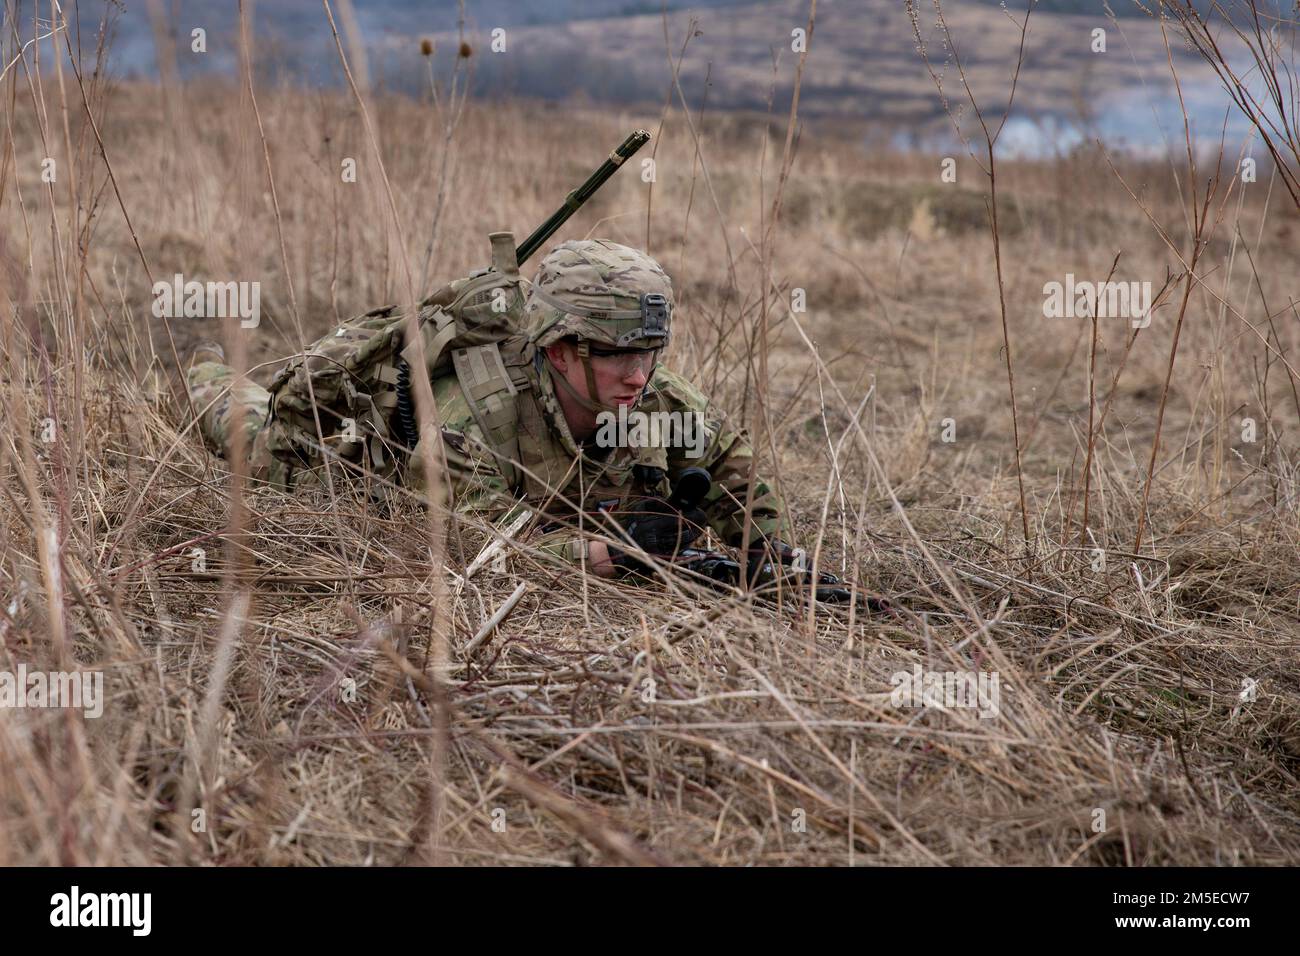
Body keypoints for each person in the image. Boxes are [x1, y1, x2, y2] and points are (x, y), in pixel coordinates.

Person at [187, 238, 822, 587]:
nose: (639, 374)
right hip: (352, 455)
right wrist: (616, 554)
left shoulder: (654, 399)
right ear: (560, 348)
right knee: (244, 420)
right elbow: (480, 550)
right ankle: (202, 367)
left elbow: (729, 468)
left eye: (652, 353)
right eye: (616, 355)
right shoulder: (477, 420)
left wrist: (771, 556)